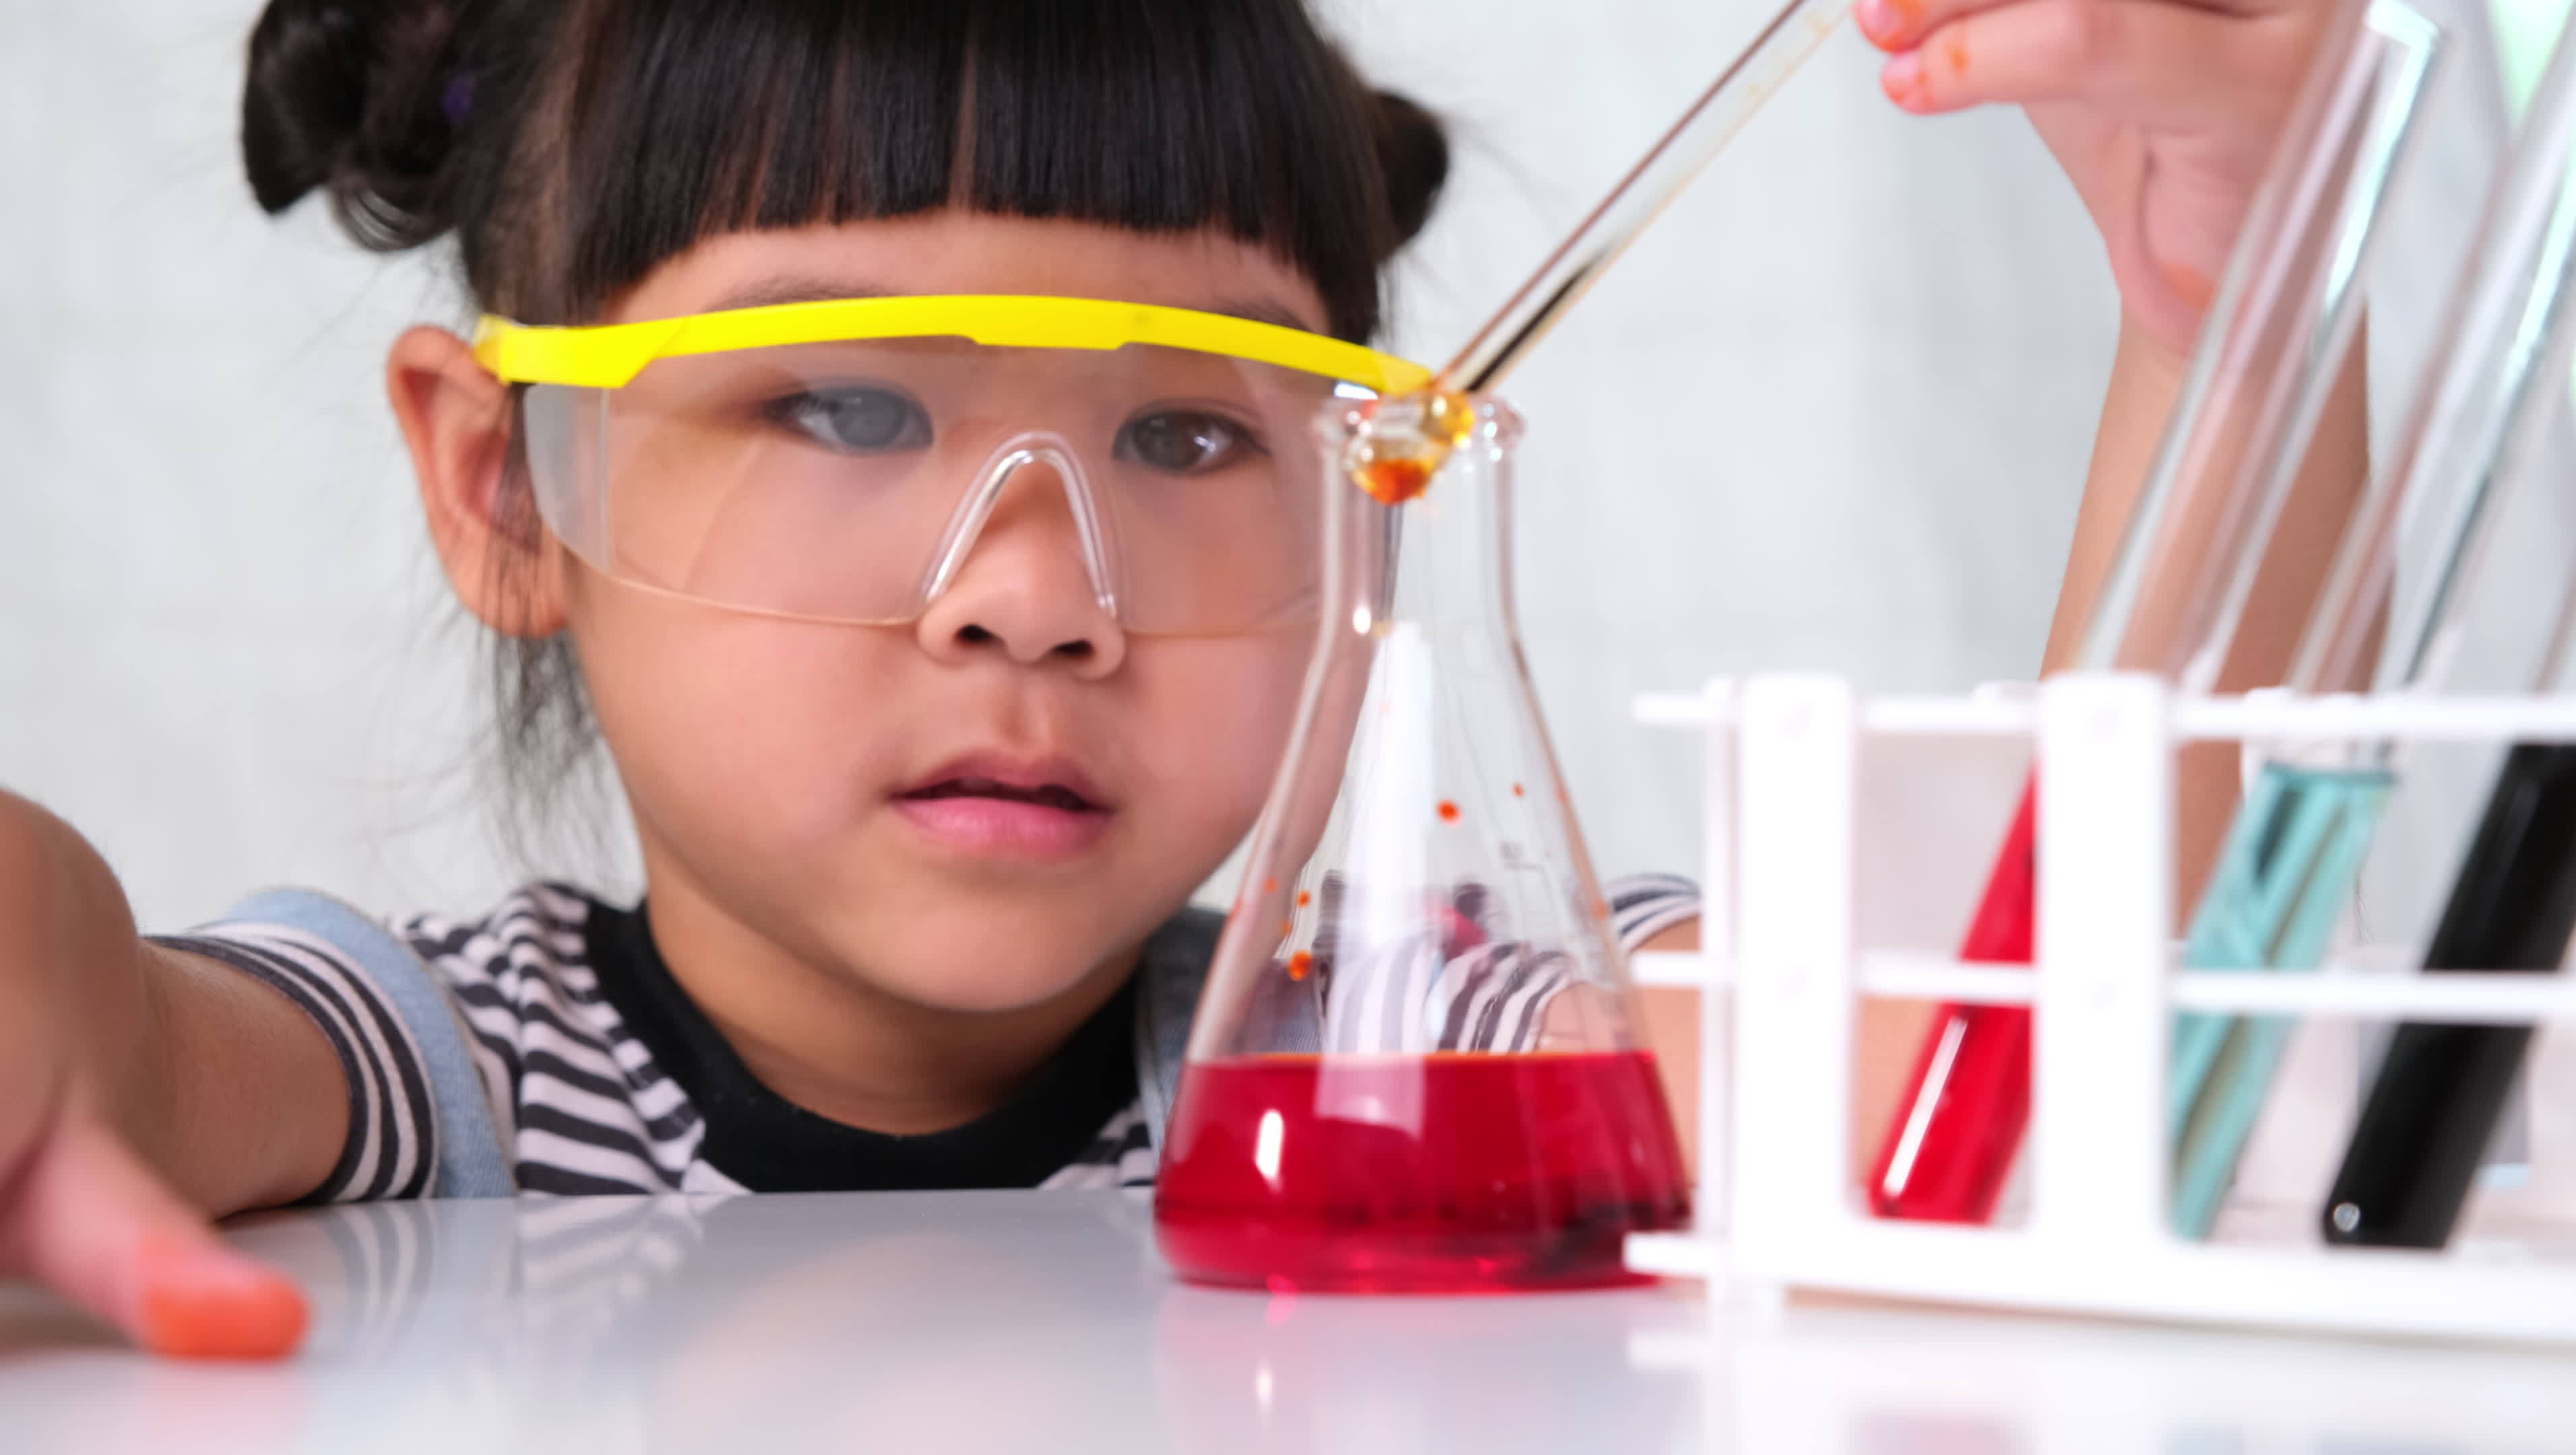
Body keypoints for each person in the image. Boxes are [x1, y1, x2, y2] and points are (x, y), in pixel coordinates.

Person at [0, 0, 2365, 1358]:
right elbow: (81, 993)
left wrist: (2233, 315)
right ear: (508, 486)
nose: (1036, 594)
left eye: (1188, 434)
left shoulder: (1415, 1034)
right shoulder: (448, 1074)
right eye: (840, 405)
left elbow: (2001, 1083)